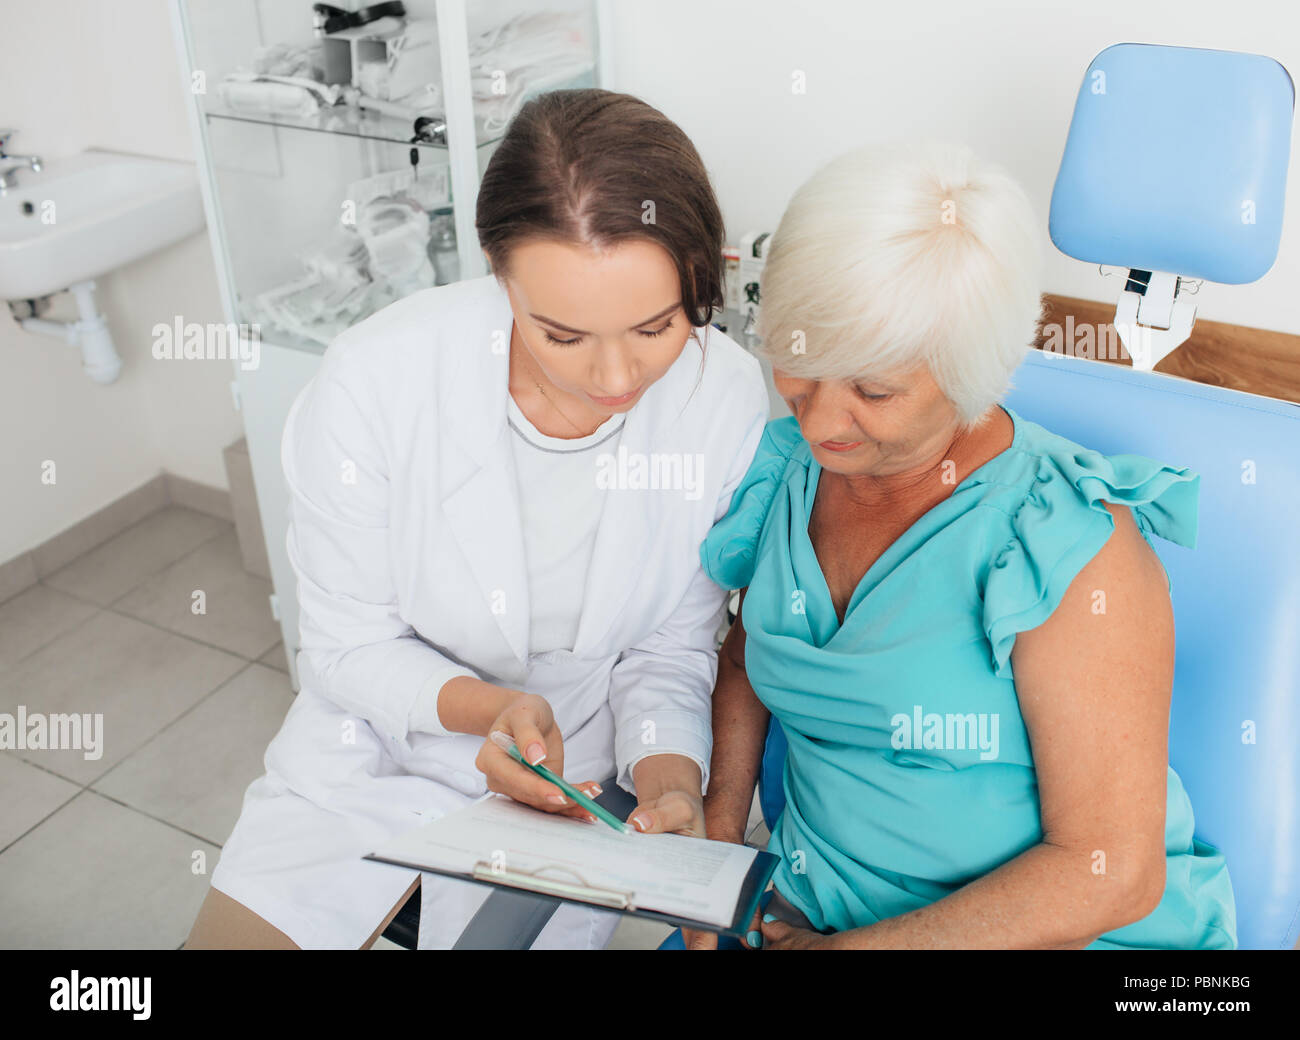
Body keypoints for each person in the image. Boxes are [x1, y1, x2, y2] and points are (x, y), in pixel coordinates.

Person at [186, 89, 769, 949]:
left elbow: (668, 650)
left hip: (574, 768)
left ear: (701, 278)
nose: (616, 378)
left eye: (656, 326)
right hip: (375, 748)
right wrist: (484, 706)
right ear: (499, 277)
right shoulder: (374, 384)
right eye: (564, 336)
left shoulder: (722, 396)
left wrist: (670, 781)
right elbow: (347, 649)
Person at [689, 141, 1236, 950]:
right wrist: (717, 854)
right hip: (808, 915)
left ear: (971, 372)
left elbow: (1110, 869)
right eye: (800, 367)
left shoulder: (1067, 544)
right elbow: (748, 657)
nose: (819, 421)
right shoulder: (785, 473)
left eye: (872, 390)